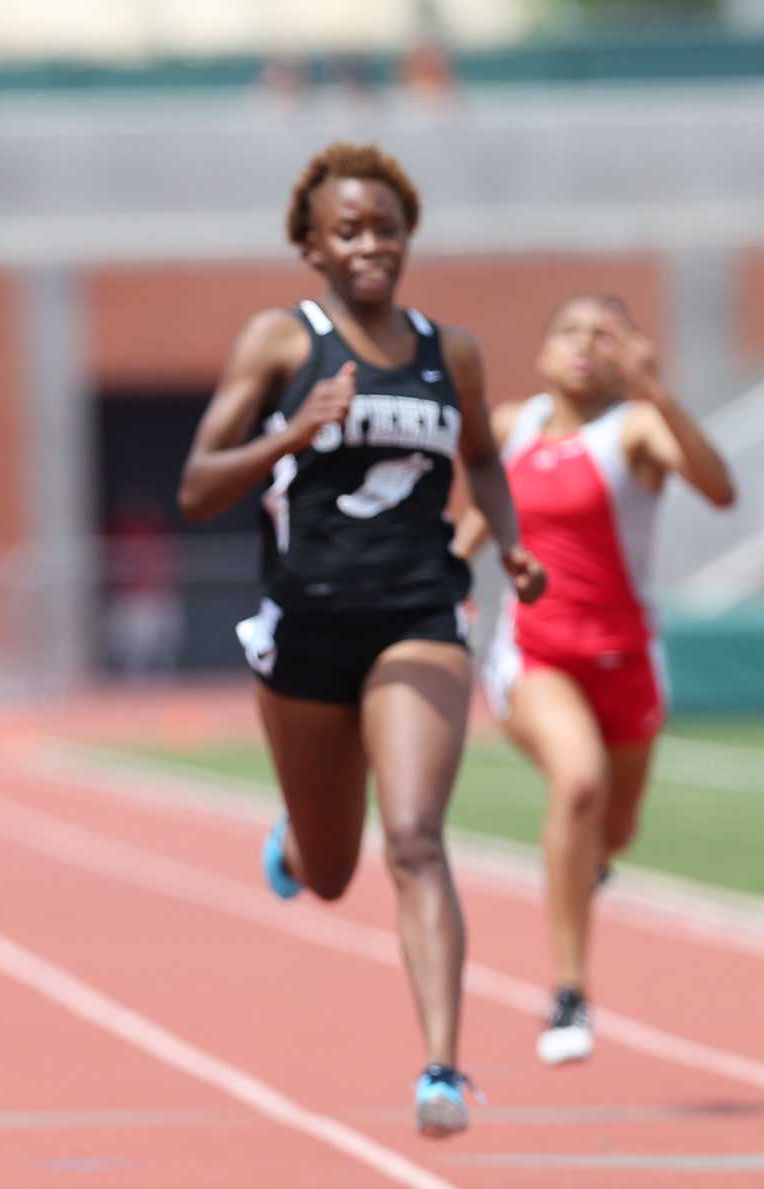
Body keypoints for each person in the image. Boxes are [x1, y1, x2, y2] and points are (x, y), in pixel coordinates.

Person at [177, 142, 545, 1138]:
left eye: (384, 226)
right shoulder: (280, 340)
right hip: (303, 623)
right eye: (347, 229)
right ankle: (296, 837)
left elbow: (482, 460)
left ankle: (440, 1067)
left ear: (404, 236)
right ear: (312, 245)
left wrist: (506, 548)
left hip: (419, 616)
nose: (369, 243)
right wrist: (291, 434)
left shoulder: (447, 350)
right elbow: (199, 484)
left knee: (416, 836)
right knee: (334, 867)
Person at [457, 296, 736, 1066]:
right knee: (577, 784)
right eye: (568, 331)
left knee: (614, 830)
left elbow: (721, 492)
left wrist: (659, 393)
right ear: (544, 349)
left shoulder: (638, 428)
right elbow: (483, 506)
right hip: (534, 653)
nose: (583, 345)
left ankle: (590, 865)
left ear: (628, 351)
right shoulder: (514, 423)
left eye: (602, 334)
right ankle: (569, 992)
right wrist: (444, 574)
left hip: (629, 658)